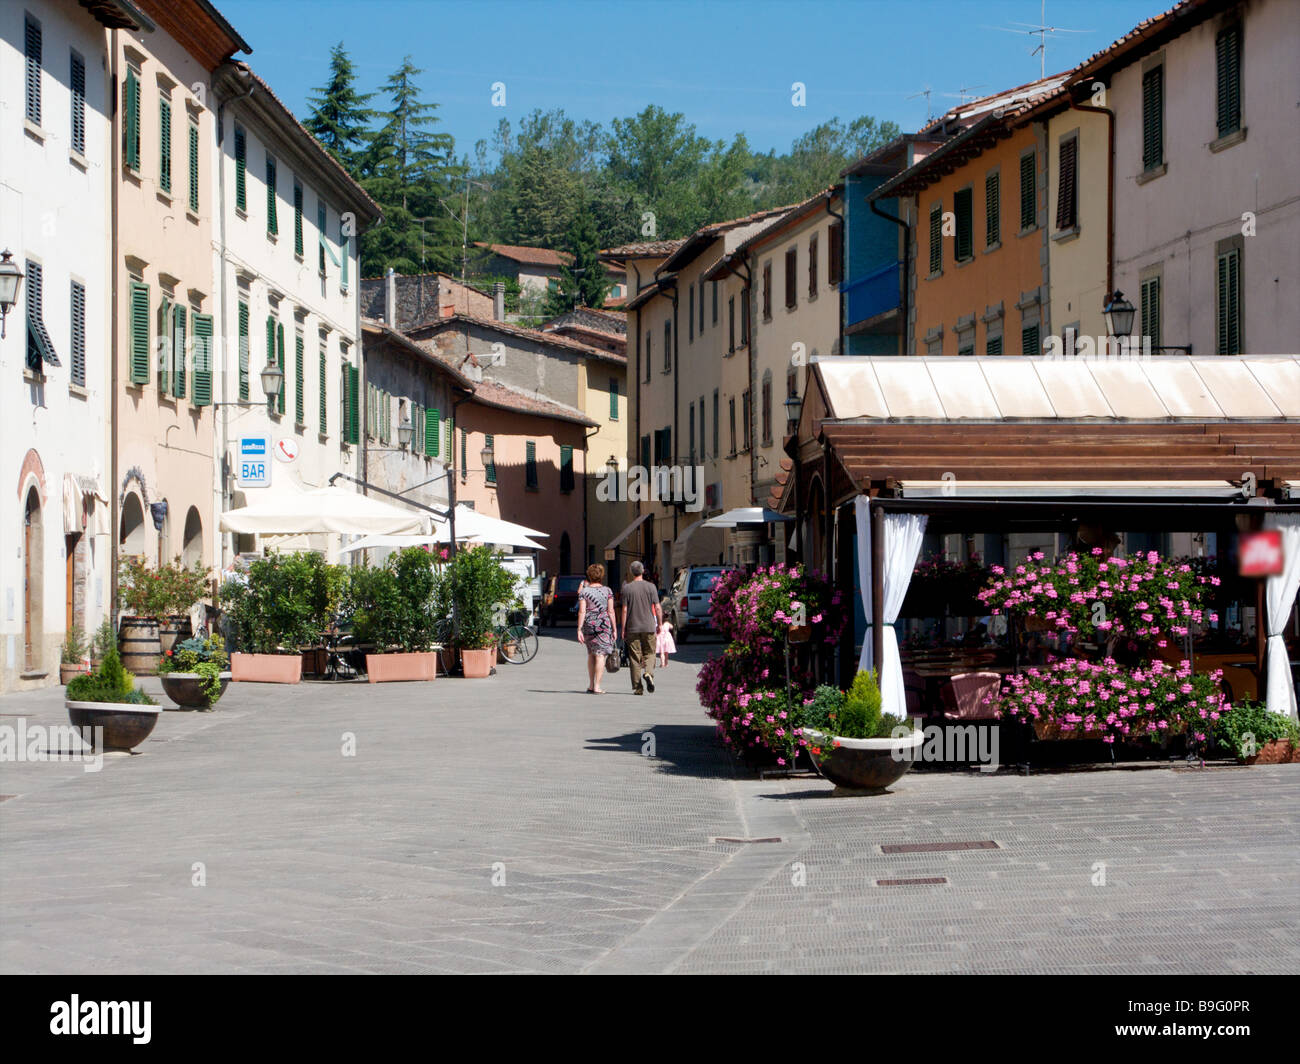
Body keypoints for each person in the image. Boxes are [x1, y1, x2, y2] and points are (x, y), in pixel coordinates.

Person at [620, 560, 661, 695]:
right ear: (643, 571)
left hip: (633, 627)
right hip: (649, 625)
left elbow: (625, 610)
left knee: (634, 657)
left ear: (632, 572)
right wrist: (659, 624)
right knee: (650, 653)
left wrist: (623, 628)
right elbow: (658, 607)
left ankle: (638, 688)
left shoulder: (627, 588)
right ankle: (648, 673)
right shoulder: (651, 587)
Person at [576, 563, 616, 694]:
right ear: (601, 575)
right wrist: (615, 629)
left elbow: (582, 611)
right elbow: (611, 611)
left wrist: (579, 629)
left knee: (591, 654)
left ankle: (591, 684)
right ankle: (597, 686)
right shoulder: (608, 591)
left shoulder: (584, 592)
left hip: (589, 625)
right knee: (600, 655)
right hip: (603, 625)